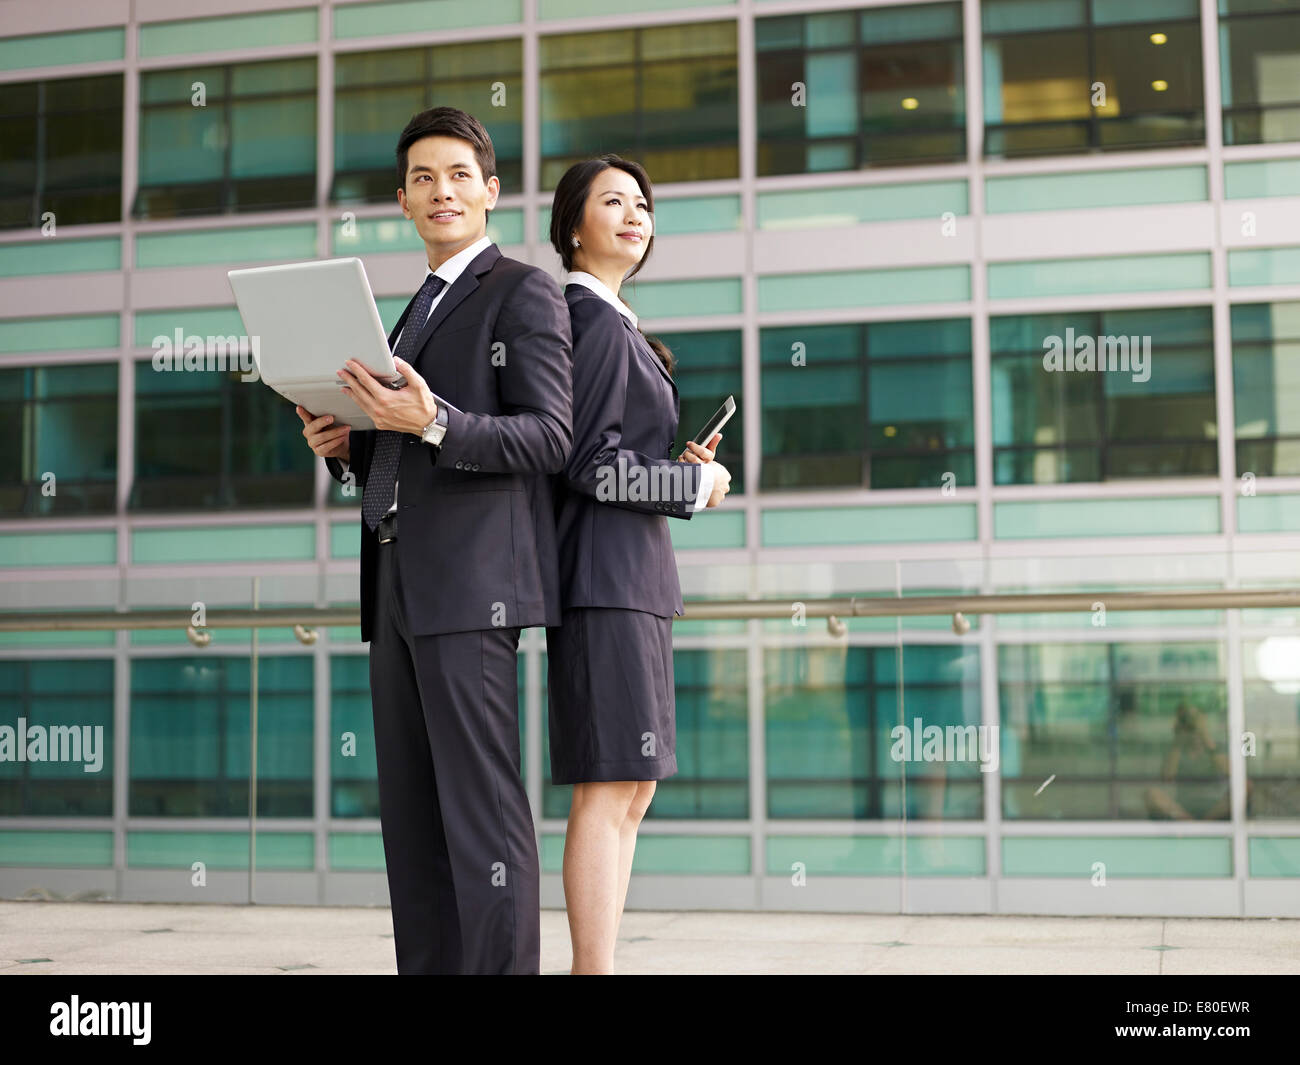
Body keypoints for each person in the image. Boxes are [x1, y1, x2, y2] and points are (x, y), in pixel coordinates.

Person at [297, 106, 572, 974]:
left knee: (483, 813)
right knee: (413, 819)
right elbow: (402, 438)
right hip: (394, 584)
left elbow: (549, 437)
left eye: (459, 174)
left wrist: (439, 421)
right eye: (423, 178)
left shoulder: (522, 290)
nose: (441, 190)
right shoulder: (411, 308)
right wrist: (350, 445)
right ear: (404, 203)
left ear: (490, 192)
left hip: (473, 587)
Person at [546, 154, 732, 974]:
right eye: (612, 202)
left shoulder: (621, 325)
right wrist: (690, 481)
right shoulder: (588, 322)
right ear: (573, 228)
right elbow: (587, 465)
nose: (635, 214)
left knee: (635, 787)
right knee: (609, 782)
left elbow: (618, 458)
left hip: (635, 580)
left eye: (643, 204)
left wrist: (677, 469)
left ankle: (601, 964)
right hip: (603, 582)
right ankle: (593, 970)